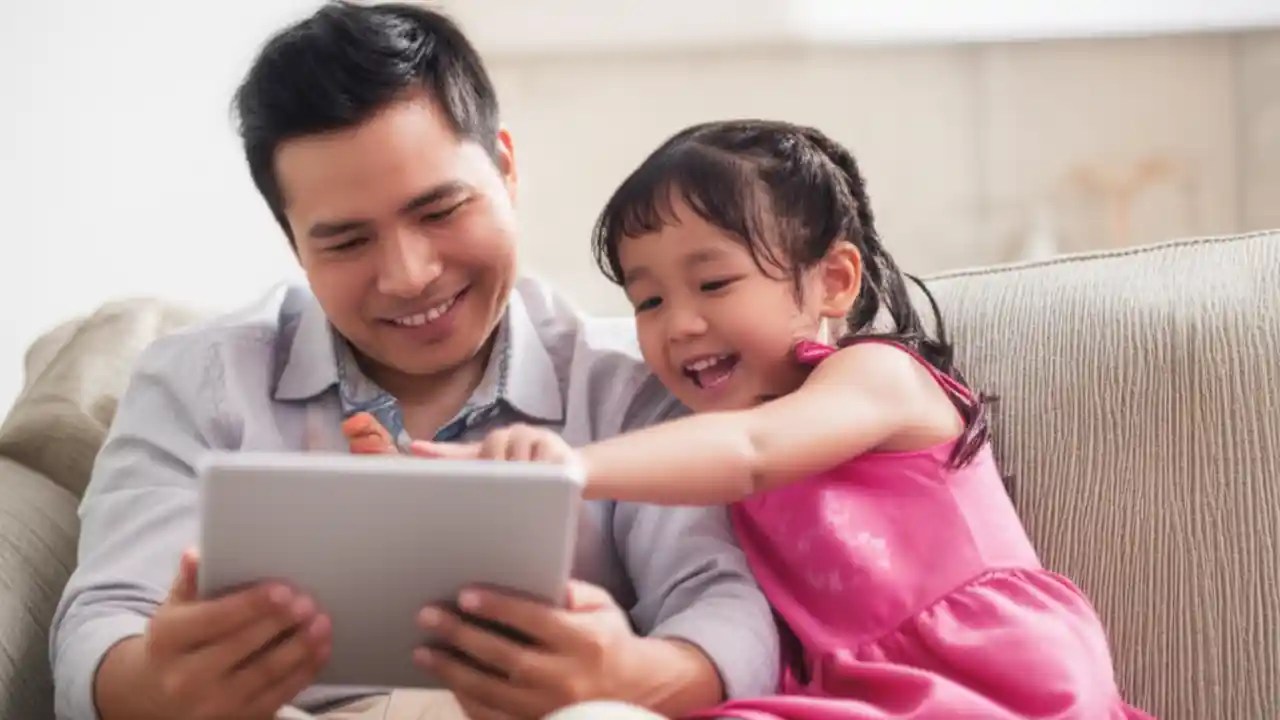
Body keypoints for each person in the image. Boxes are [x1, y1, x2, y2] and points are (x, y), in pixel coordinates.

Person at [48, 5, 780, 720]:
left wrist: (633, 674)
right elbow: (103, 626)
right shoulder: (193, 384)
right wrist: (159, 687)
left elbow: (723, 600)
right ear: (292, 240)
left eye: (439, 212)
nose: (407, 275)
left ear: (506, 169)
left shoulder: (631, 383)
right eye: (346, 242)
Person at [382, 120, 1154, 719]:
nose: (678, 324)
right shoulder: (702, 435)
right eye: (647, 301)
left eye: (713, 282)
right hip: (850, 690)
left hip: (987, 670)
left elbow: (752, 451)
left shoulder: (876, 377)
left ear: (834, 280)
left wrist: (572, 466)